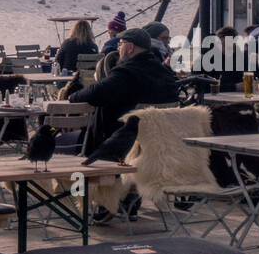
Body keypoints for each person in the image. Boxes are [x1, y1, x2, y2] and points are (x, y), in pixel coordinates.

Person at [72, 25, 179, 157]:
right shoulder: (165, 73)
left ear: (130, 48)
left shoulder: (126, 73)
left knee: (65, 142)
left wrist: (72, 96)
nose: (118, 48)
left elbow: (95, 93)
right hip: (158, 149)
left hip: (118, 149)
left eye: (120, 44)